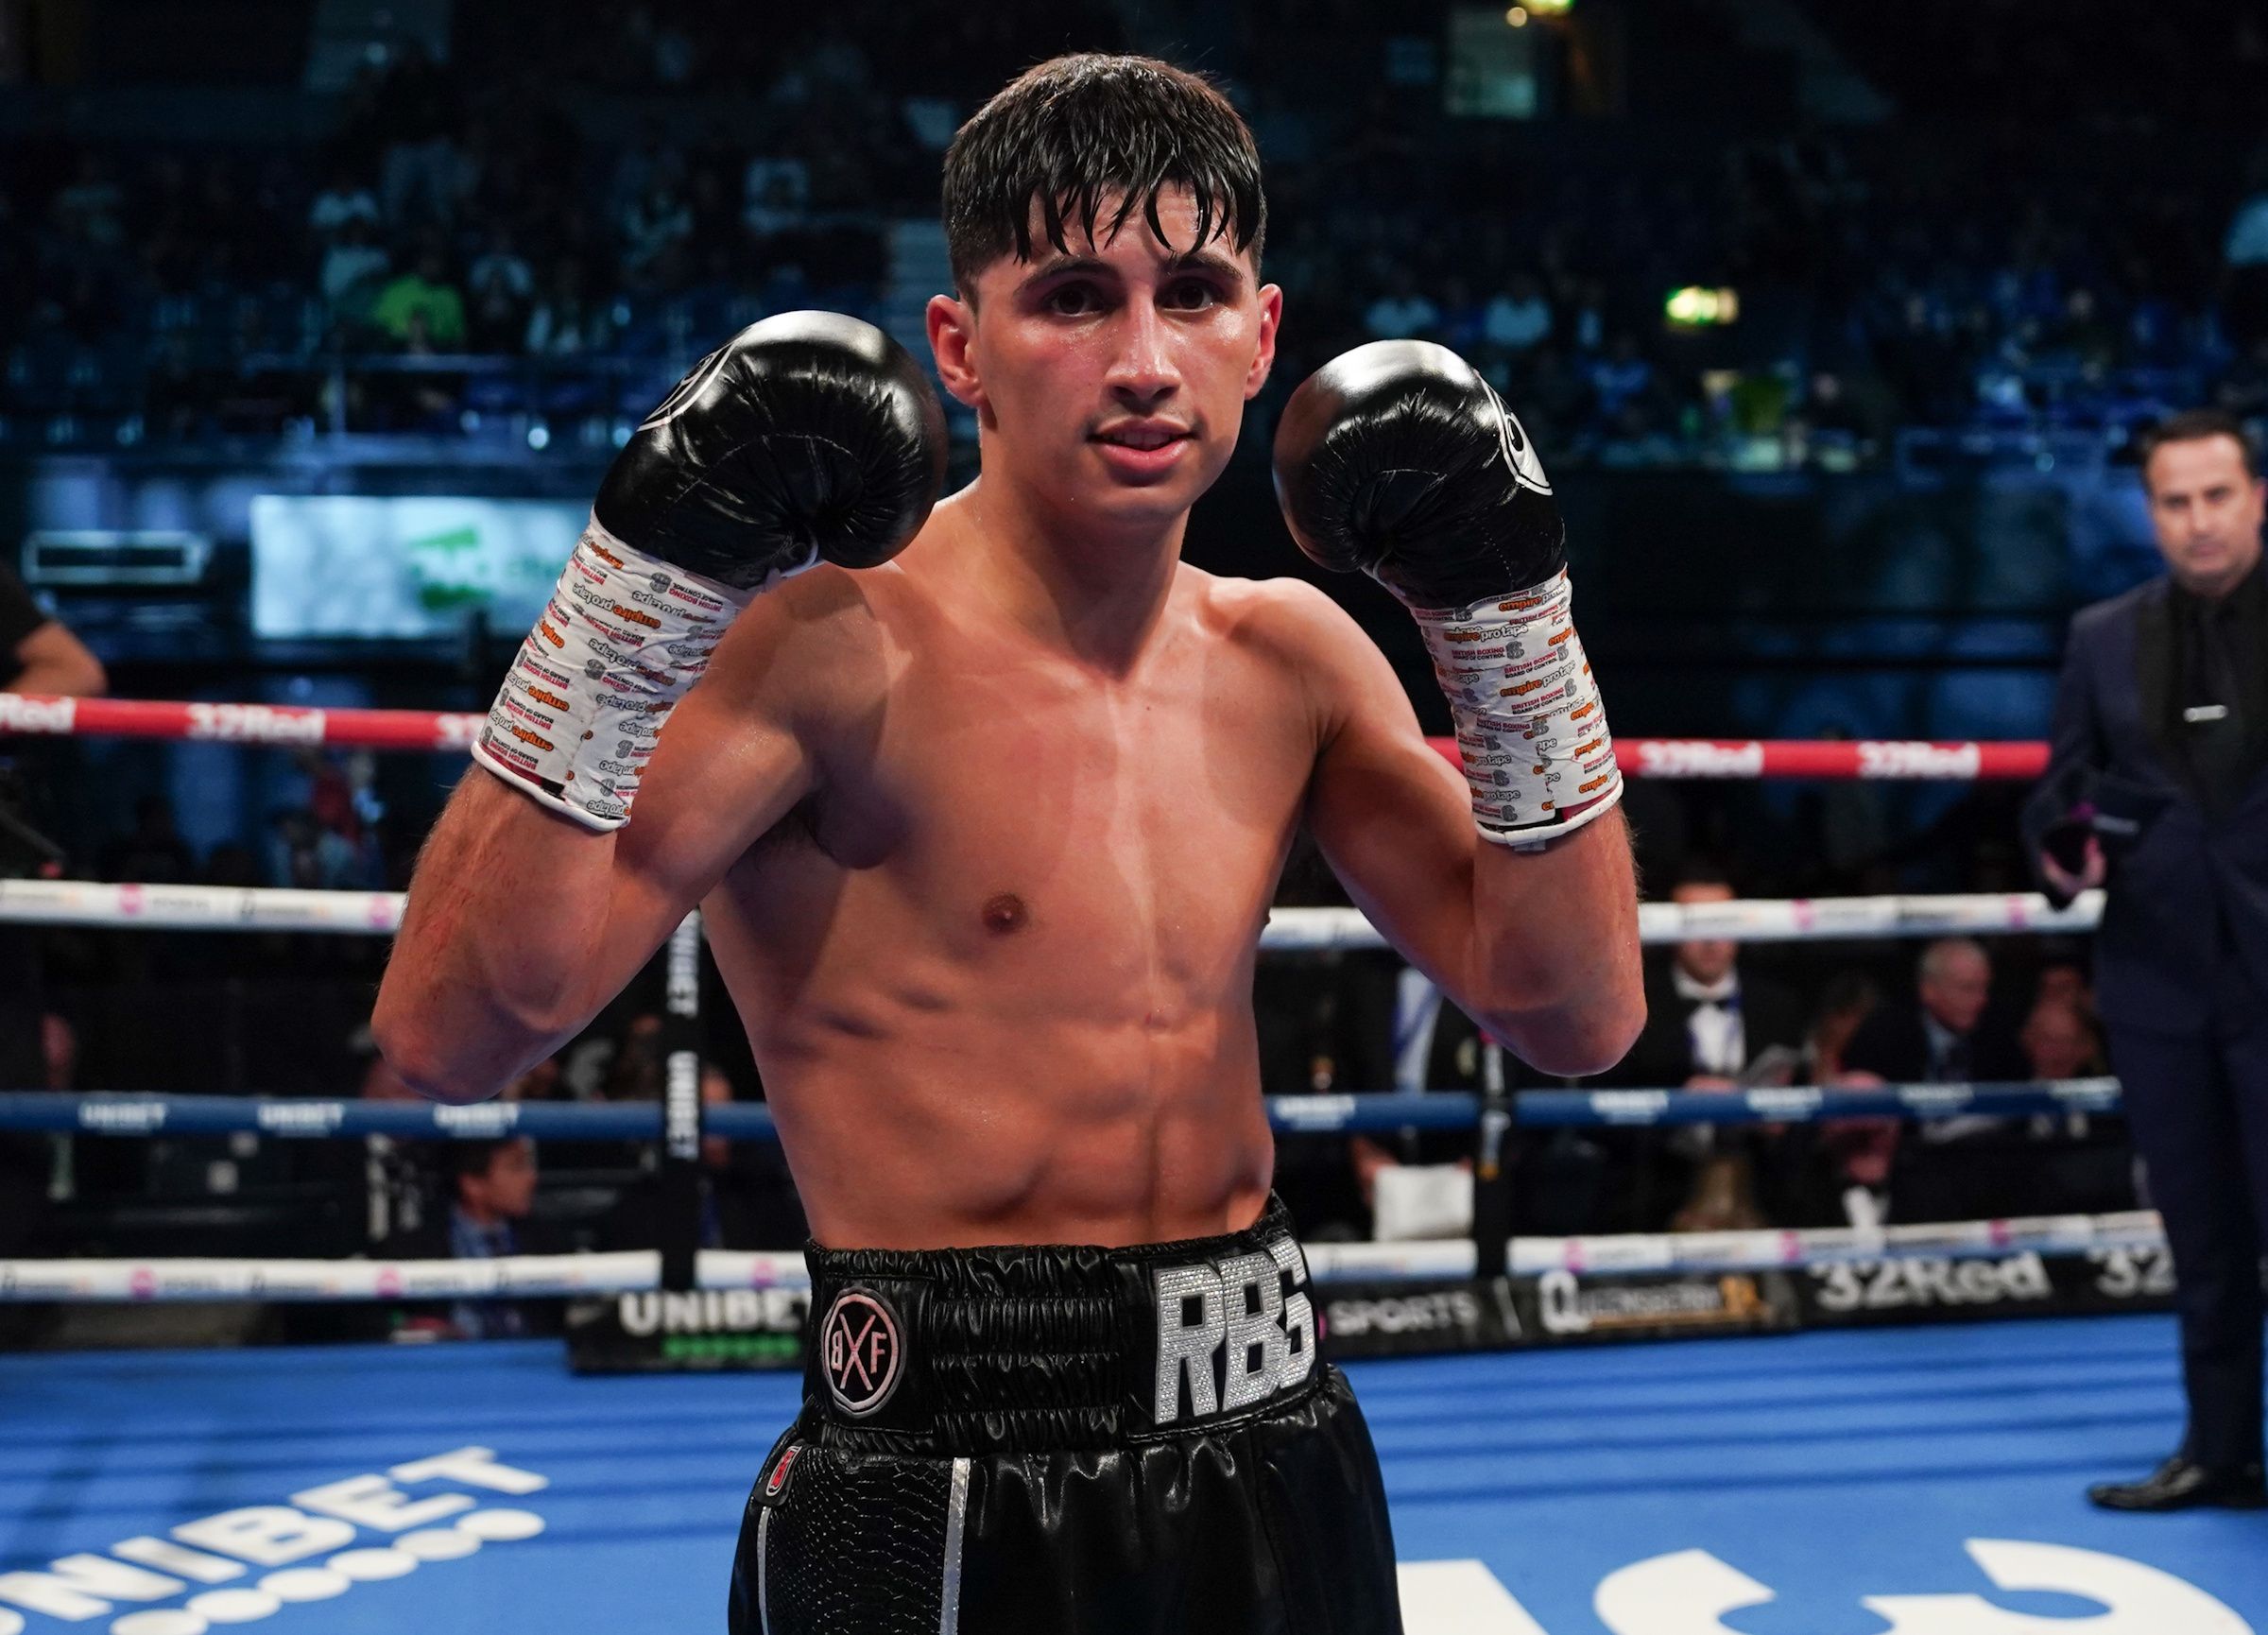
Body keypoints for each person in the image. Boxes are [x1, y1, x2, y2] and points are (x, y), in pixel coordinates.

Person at [375, 54, 1641, 1634]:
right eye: (1073, 299)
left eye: (1193, 294)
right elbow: (450, 1035)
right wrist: (634, 593)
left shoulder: (1294, 659)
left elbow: (1577, 1013)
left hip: (1278, 1435)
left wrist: (1514, 624)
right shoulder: (825, 655)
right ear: (959, 345)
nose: (1144, 362)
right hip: (940, 1468)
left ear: (1263, 334)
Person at [2023, 407, 2268, 1512]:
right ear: (2152, 511)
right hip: (2161, 982)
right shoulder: (2103, 635)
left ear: (2257, 498)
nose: (2199, 520)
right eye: (2176, 501)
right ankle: (2220, 1447)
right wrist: (2065, 847)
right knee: (2202, 1237)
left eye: (2217, 496)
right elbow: (2058, 797)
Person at [1608, 866, 1806, 1230]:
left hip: (1763, 1192)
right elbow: (1610, 1111)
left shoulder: (1778, 1005)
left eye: (1722, 922)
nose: (1711, 940)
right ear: (1669, 930)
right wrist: (1676, 1106)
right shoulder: (1633, 1004)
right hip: (1660, 1192)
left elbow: (1803, 1106)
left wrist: (1771, 1111)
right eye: (1695, 924)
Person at [1834, 937, 2028, 1225]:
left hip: (1986, 1167)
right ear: (1929, 991)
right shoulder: (1884, 1032)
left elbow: (2020, 1109)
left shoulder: (1998, 1028)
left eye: (1984, 988)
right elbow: (1857, 1107)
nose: (1981, 1000)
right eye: (1967, 989)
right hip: (1906, 1170)